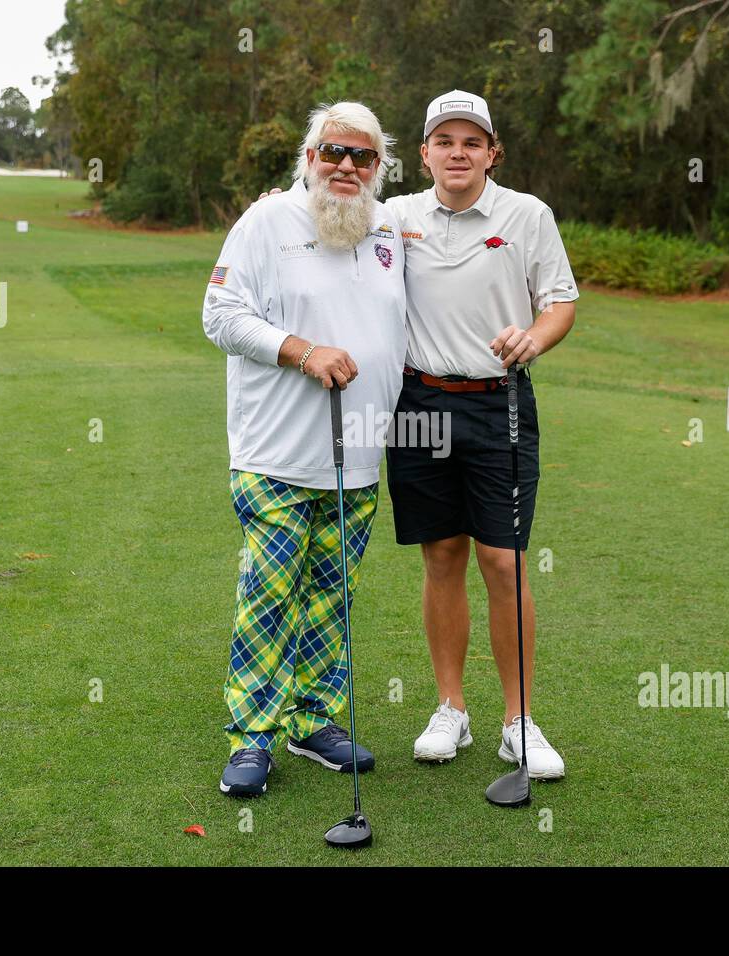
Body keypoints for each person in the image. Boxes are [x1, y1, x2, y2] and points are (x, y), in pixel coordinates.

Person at [201, 101, 406, 797]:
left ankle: (314, 720)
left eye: (363, 157)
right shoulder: (265, 223)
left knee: (332, 598)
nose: (346, 167)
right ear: (308, 156)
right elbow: (220, 316)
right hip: (275, 455)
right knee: (269, 597)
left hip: (358, 457)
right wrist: (301, 350)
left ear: (379, 168)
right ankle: (251, 737)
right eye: (333, 152)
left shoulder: (389, 229)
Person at [383, 90, 578, 779]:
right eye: (445, 141)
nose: (458, 153)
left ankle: (517, 722)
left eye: (472, 142)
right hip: (420, 399)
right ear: (425, 152)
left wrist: (536, 336)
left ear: (492, 153)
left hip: (500, 402)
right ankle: (450, 709)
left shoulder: (528, 215)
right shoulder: (395, 216)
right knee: (442, 554)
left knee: (505, 560)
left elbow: (560, 302)